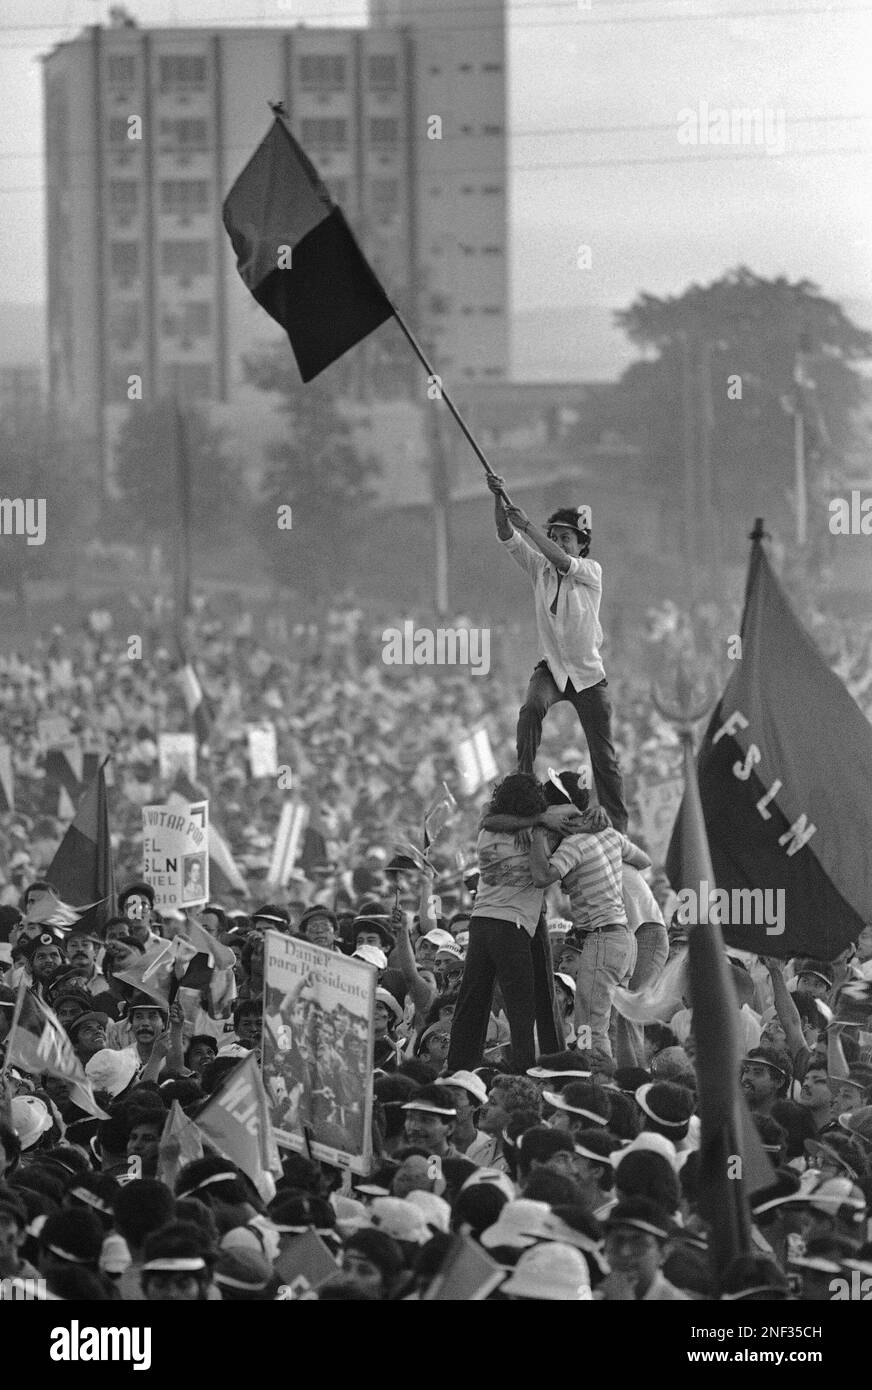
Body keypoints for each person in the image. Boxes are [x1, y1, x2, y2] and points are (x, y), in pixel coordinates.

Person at [486, 474, 627, 831]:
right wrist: (498, 499)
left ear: (582, 545)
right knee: (531, 708)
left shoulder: (589, 572)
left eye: (566, 538)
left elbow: (561, 560)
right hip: (552, 669)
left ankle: (618, 824)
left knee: (604, 758)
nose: (558, 544)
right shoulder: (540, 570)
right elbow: (507, 536)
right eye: (555, 537)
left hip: (587, 675)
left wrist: (530, 526)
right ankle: (522, 787)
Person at [529, 771, 651, 1058]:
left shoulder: (574, 845)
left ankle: (593, 1085)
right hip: (624, 941)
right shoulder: (608, 835)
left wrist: (536, 833)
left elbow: (541, 876)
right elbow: (644, 860)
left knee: (589, 1025)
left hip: (602, 941)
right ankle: (612, 1082)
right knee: (607, 1026)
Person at [446, 773, 552, 1074]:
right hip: (513, 925)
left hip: (480, 921)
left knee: (472, 1001)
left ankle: (458, 1067)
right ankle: (523, 1072)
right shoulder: (535, 835)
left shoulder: (487, 828)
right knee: (521, 1007)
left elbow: (486, 815)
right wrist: (534, 823)